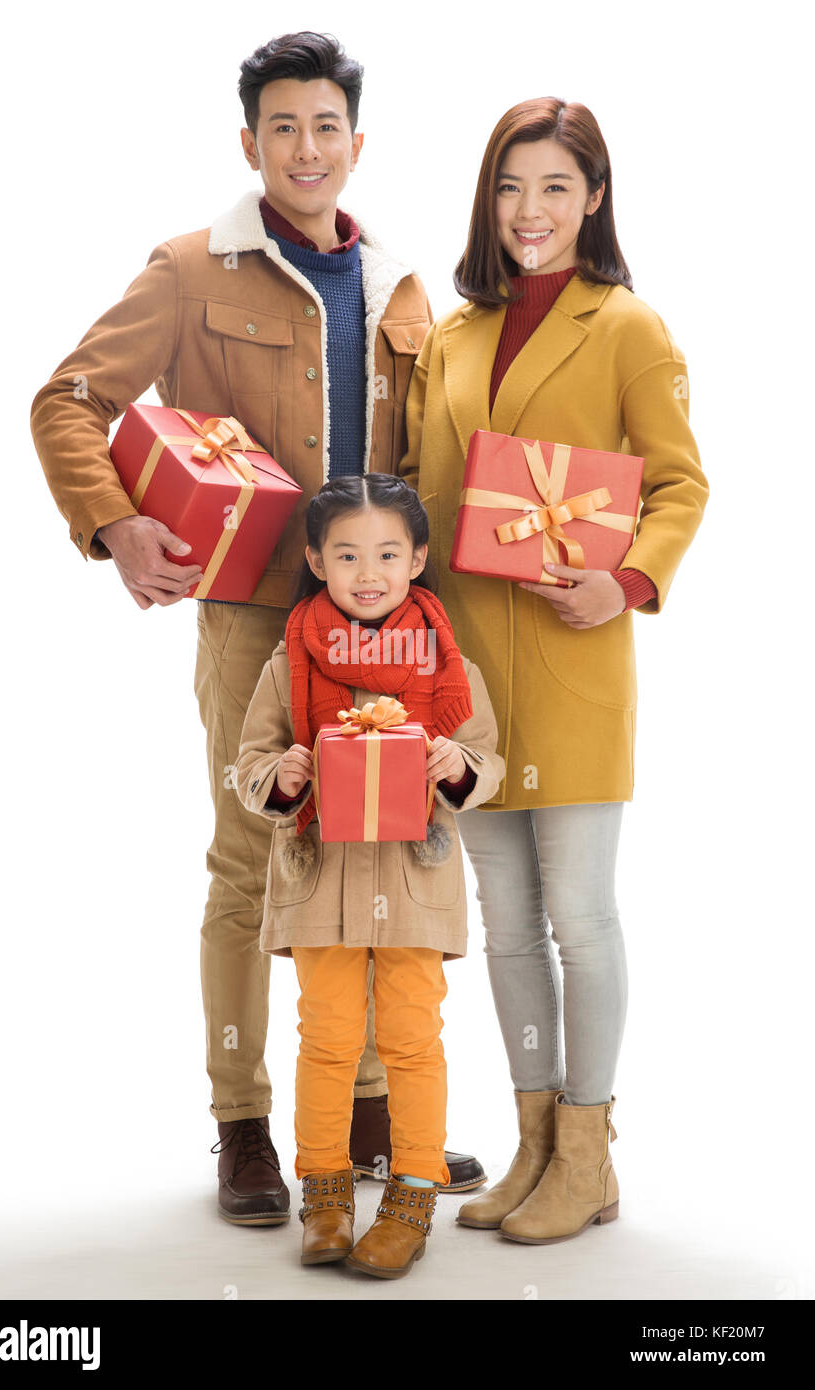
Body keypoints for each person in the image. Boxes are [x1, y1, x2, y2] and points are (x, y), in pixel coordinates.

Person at [28, 30, 485, 1228]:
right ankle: (243, 1125)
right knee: (251, 859)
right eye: (280, 126)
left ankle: (379, 1111)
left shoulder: (398, 285)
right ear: (250, 143)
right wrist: (115, 525)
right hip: (247, 616)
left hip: (376, 615)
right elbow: (69, 401)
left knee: (379, 843)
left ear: (354, 142)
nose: (304, 147)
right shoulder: (190, 270)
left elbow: (424, 458)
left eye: (324, 126)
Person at [396, 97, 709, 1244]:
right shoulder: (455, 337)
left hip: (577, 659)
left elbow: (679, 484)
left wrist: (622, 582)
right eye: (510, 188)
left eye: (555, 189)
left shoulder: (628, 327)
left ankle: (587, 1148)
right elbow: (429, 506)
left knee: (579, 917)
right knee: (507, 921)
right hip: (467, 678)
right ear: (489, 199)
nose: (530, 212)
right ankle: (532, 1143)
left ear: (592, 199)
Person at [235, 474, 505, 1277]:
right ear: (316, 559)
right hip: (322, 885)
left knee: (414, 1041)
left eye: (388, 552)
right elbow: (249, 762)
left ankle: (412, 1199)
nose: (368, 571)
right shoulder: (291, 661)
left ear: (418, 558)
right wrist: (281, 775)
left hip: (416, 888)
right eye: (347, 554)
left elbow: (487, 759)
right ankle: (323, 1196)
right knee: (326, 1040)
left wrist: (458, 765)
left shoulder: (447, 662)